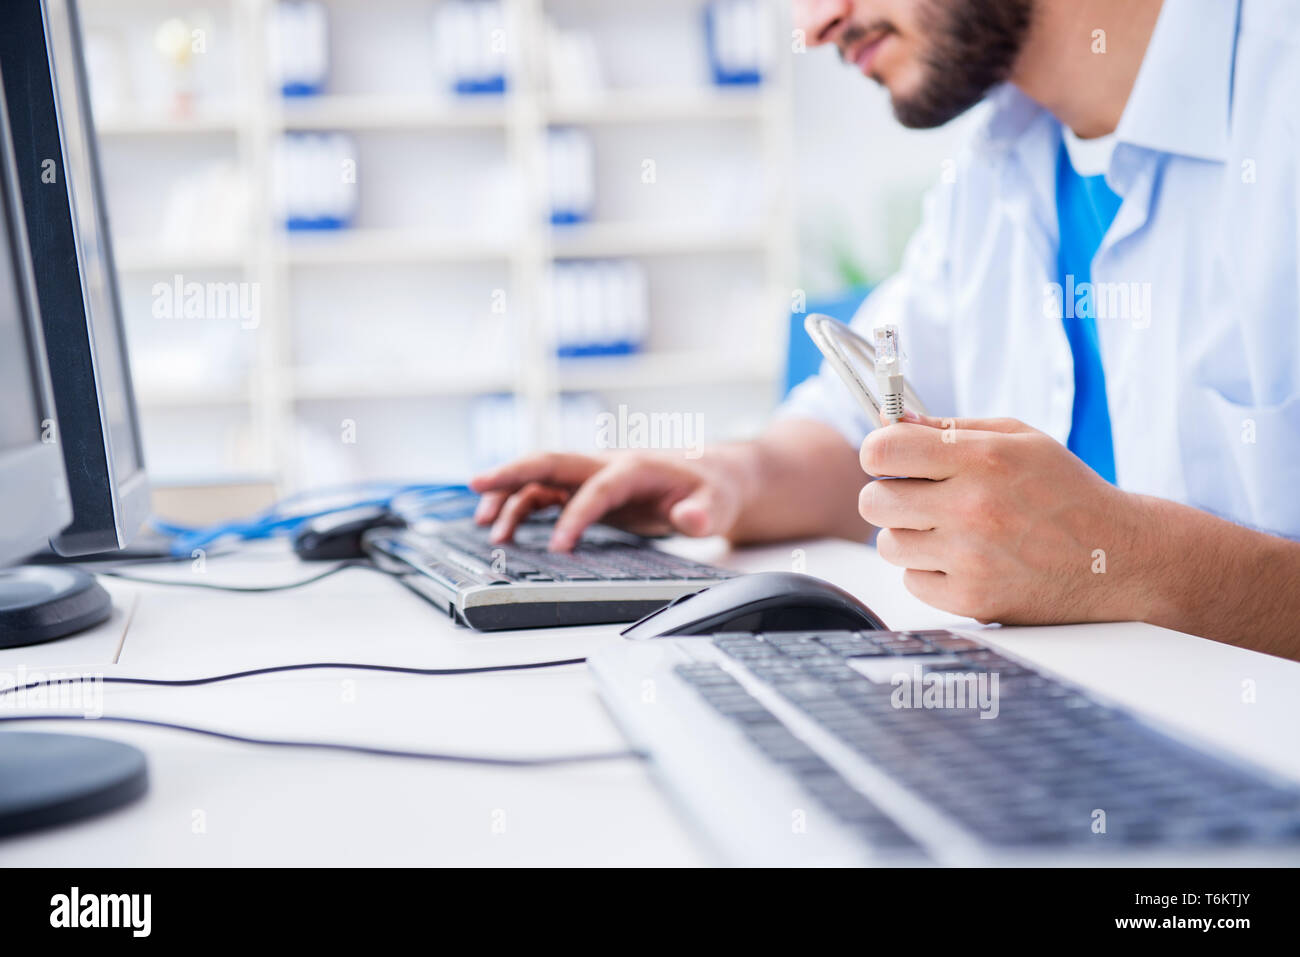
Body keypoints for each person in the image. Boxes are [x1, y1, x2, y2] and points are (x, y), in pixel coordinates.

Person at [471, 0, 1300, 659]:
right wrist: (720, 479)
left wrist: (1134, 563)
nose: (814, 24)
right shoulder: (998, 162)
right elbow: (858, 436)